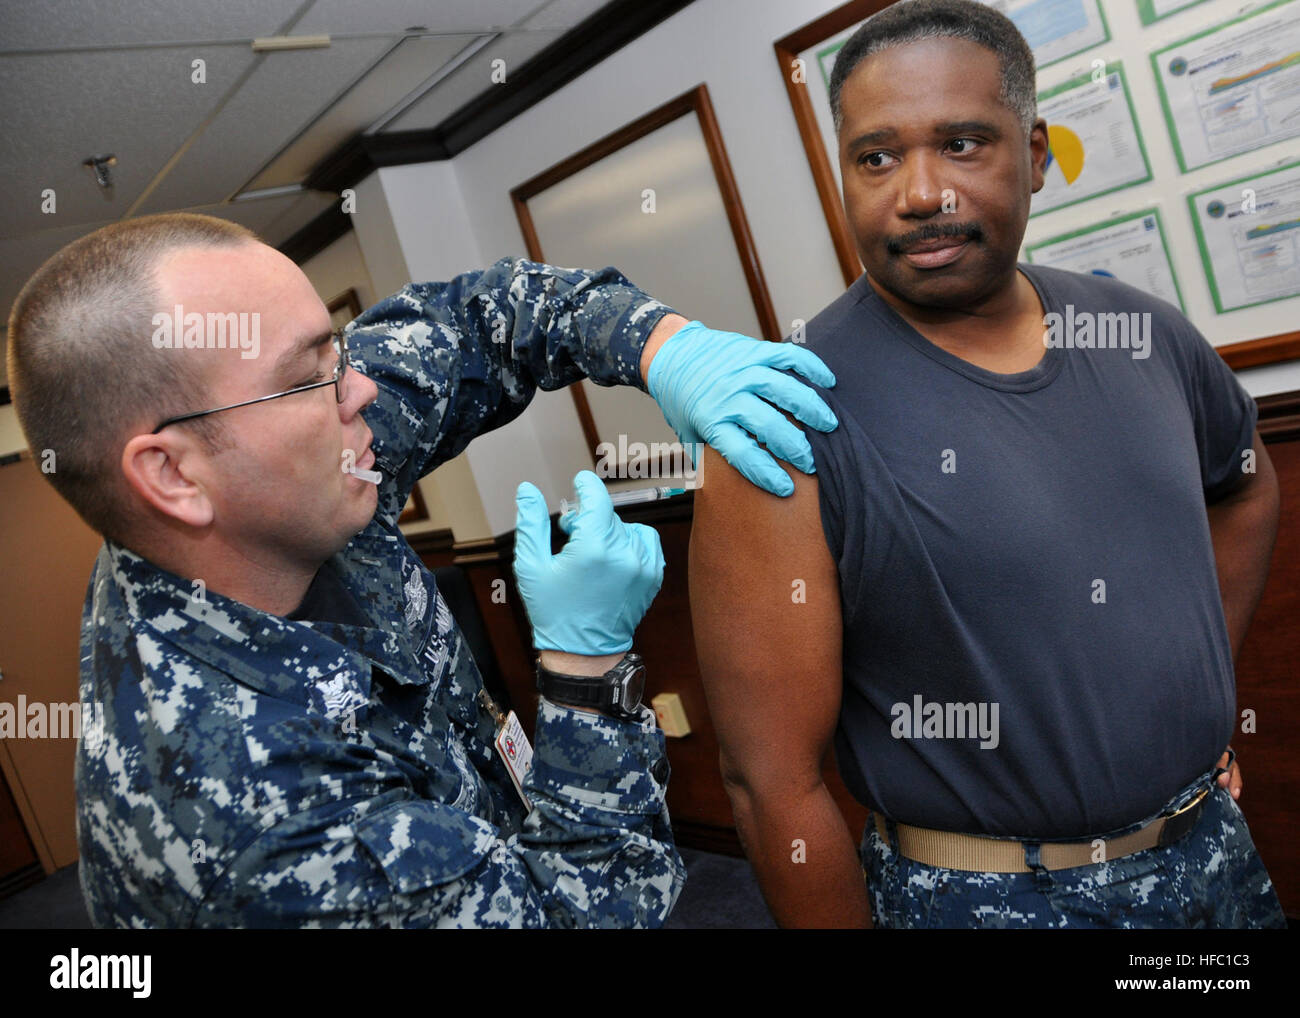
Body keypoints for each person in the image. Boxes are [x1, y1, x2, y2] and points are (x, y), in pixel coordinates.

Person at [5, 211, 838, 928]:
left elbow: (482, 317)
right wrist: (587, 675)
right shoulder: (257, 820)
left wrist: (664, 348)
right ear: (175, 476)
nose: (360, 389)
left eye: (336, 352)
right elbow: (576, 914)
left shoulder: (296, 466)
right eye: (309, 377)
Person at [690, 0, 1285, 929]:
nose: (920, 191)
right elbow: (771, 785)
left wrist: (1206, 700)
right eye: (876, 156)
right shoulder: (784, 412)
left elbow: (1245, 487)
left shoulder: (1139, 330)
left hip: (1211, 858)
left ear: (1036, 153)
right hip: (991, 901)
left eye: (963, 143)